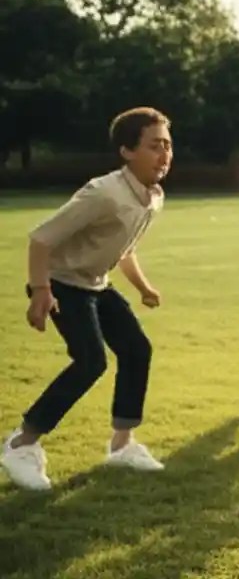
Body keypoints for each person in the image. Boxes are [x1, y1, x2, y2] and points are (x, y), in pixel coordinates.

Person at [2, 108, 172, 491]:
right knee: (90, 361)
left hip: (96, 284)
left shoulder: (153, 196)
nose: (164, 155)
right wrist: (41, 291)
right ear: (127, 151)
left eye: (168, 145)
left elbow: (123, 249)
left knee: (136, 350)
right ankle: (20, 444)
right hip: (60, 283)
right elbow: (41, 239)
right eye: (154, 146)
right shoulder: (103, 193)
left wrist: (143, 288)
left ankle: (122, 445)